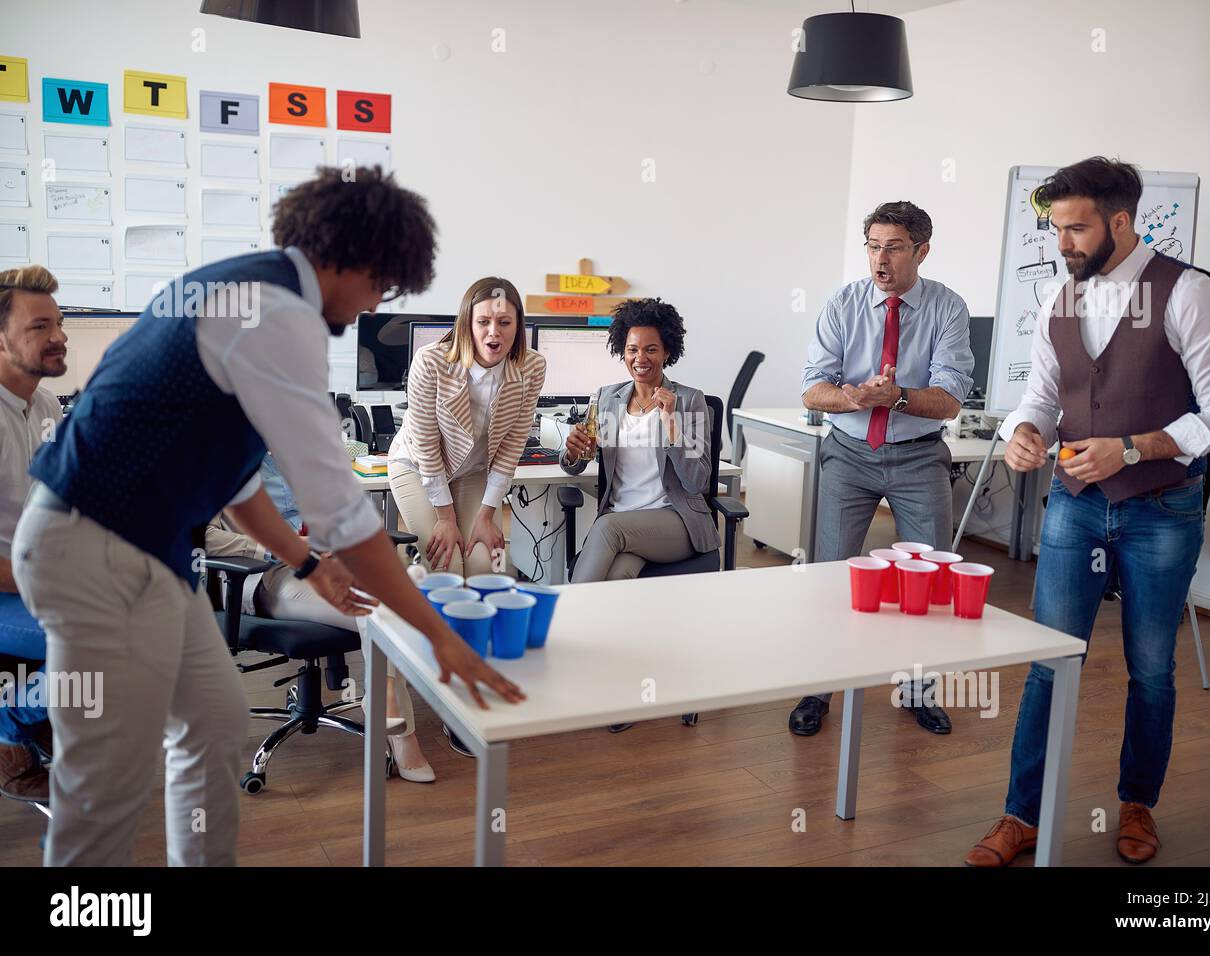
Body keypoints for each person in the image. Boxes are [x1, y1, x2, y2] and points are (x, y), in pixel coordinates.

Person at [13, 167, 523, 867]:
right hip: (95, 544)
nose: (378, 302)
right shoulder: (278, 315)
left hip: (149, 551)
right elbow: (341, 511)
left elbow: (235, 476)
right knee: (103, 789)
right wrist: (439, 637)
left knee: (216, 723)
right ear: (356, 257)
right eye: (384, 283)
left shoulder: (245, 288)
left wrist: (310, 565)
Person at [964, 157, 1210, 867]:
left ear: (1121, 222)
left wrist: (1134, 447)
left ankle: (1137, 805)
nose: (1060, 244)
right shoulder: (1064, 297)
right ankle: (1020, 815)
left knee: (1150, 668)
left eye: (1076, 229)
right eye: (1055, 228)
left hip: (1163, 508)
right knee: (1049, 661)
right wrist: (1021, 431)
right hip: (1075, 505)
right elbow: (1041, 392)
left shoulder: (1190, 293)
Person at [794, 200, 974, 738]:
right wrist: (856, 400)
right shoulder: (844, 303)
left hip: (919, 456)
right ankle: (818, 687)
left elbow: (949, 400)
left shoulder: (947, 308)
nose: (880, 260)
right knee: (833, 575)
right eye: (873, 246)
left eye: (894, 248)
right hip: (849, 453)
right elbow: (812, 385)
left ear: (921, 250)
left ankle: (918, 689)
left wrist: (895, 399)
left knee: (929, 579)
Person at [386, 277, 545, 756]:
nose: (494, 332)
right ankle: (434, 692)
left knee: (485, 570)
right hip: (419, 467)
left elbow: (513, 442)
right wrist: (446, 517)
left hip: (477, 473)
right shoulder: (432, 362)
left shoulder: (530, 367)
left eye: (505, 322)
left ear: (518, 327)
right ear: (467, 324)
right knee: (446, 567)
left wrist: (487, 514)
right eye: (483, 322)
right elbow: (427, 444)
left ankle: (468, 701)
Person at [205, 453, 434, 783]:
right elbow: (204, 537)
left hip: (322, 559)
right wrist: (283, 548)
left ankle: (383, 702)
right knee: (375, 607)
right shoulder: (213, 456)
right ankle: (399, 729)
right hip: (261, 573)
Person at [560, 297, 719, 584]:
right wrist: (573, 453)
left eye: (651, 350)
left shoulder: (688, 400)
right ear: (622, 351)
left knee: (608, 529)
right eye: (632, 350)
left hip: (675, 520)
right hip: (624, 519)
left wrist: (671, 423)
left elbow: (697, 482)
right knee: (618, 574)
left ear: (667, 351)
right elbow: (579, 461)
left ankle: (564, 614)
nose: (640, 359)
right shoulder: (608, 398)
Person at [0, 266, 63, 804]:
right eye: (40, 326)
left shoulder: (46, 407)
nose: (60, 337)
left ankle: (34, 712)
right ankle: (10, 726)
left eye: (58, 325)